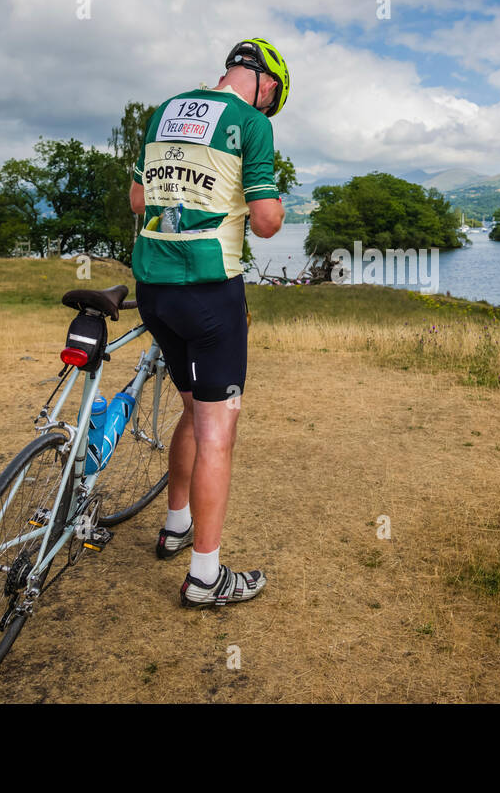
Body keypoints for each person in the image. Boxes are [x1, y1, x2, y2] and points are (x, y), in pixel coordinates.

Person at [128, 38, 288, 609]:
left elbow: (137, 200)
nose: (267, 109)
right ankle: (205, 577)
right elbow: (266, 223)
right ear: (267, 85)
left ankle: (175, 525)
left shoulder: (165, 110)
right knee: (219, 427)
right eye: (272, 101)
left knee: (194, 409)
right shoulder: (251, 123)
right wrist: (270, 205)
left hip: (153, 287)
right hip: (209, 289)